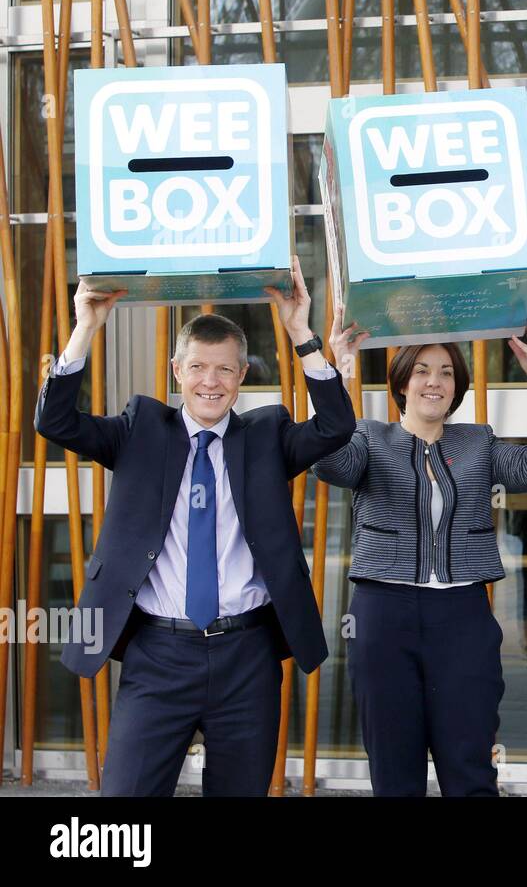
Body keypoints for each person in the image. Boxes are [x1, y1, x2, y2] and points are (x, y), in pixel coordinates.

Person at [36, 258, 356, 796]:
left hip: (247, 655)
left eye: (225, 369)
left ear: (242, 376)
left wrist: (301, 329)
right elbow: (56, 421)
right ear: (176, 371)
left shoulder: (267, 436)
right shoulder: (141, 430)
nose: (211, 381)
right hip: (159, 655)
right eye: (199, 368)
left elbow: (336, 426)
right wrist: (85, 328)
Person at [313, 314, 527, 797]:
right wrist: (339, 377)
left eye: (446, 372)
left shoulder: (477, 442)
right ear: (402, 383)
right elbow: (331, 462)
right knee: (395, 768)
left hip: (462, 615)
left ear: (457, 386)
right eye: (423, 370)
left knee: (469, 765)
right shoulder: (369, 438)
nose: (434, 381)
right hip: (384, 615)